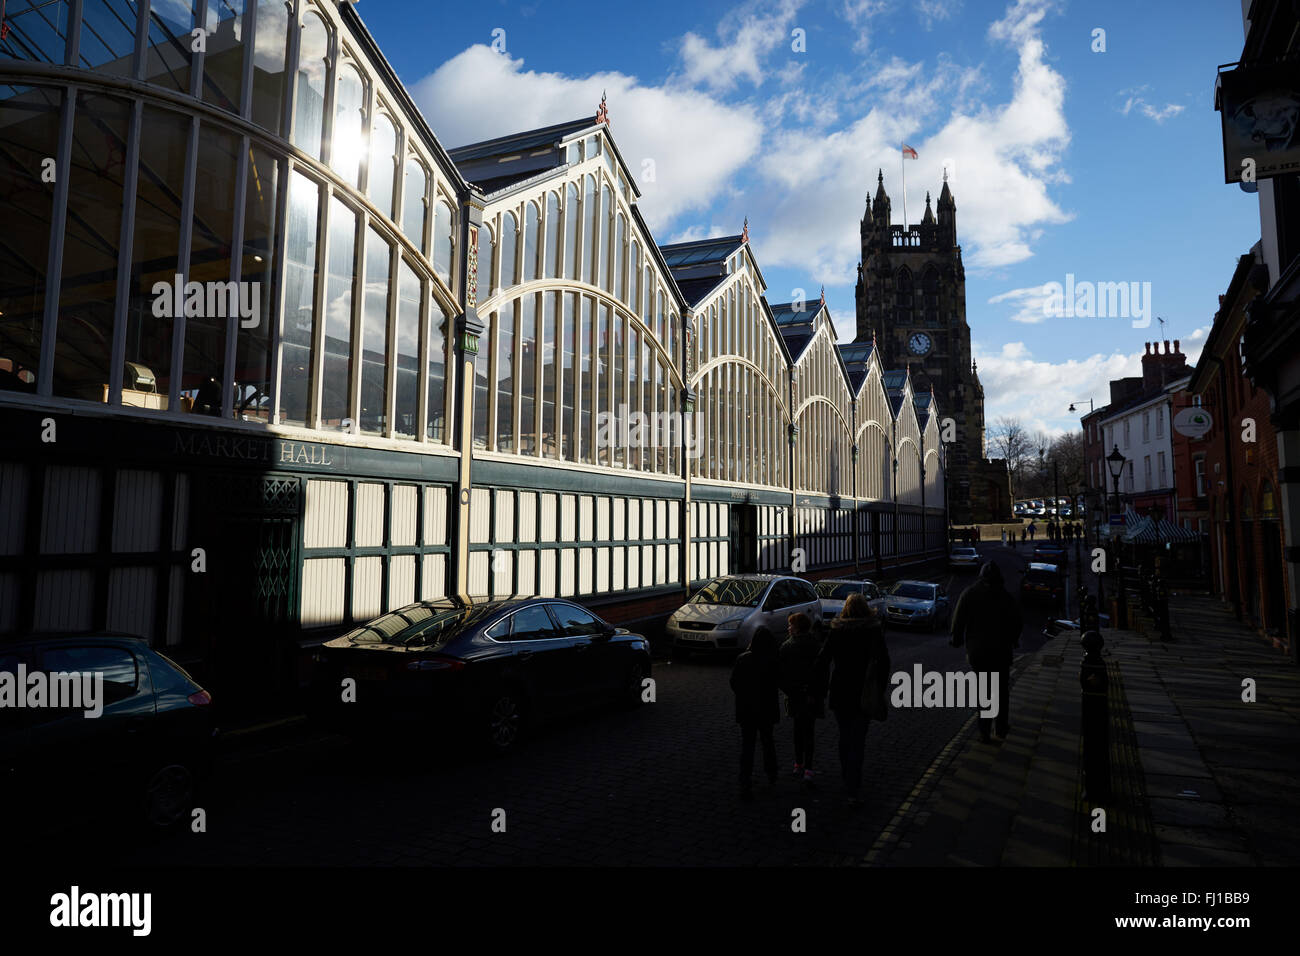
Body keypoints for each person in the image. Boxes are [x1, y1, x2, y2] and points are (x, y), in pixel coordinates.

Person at [813, 593, 888, 808]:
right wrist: (879, 688)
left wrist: (819, 688)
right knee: (858, 740)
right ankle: (853, 787)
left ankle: (847, 775)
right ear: (866, 608)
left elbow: (822, 660)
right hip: (863, 692)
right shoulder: (873, 630)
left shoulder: (837, 630)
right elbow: (884, 662)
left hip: (840, 691)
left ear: (845, 609)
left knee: (845, 737)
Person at [949, 561, 1022, 742]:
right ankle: (1001, 728)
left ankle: (984, 730)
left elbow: (958, 620)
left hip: (978, 652)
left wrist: (956, 639)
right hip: (1001, 652)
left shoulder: (969, 593)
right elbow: (1017, 622)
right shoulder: (1006, 597)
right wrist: (1013, 640)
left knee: (984, 690)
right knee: (1001, 691)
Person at [730, 628, 781, 801]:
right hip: (766, 708)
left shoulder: (742, 659)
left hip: (747, 709)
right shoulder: (773, 661)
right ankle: (772, 773)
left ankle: (745, 781)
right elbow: (778, 682)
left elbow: (734, 683)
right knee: (768, 741)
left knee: (748, 745)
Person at [779, 611, 824, 785]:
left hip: (795, 695)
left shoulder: (786, 647)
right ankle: (809, 768)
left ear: (797, 629)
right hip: (811, 696)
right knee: (809, 732)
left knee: (798, 731)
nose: (788, 628)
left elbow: (781, 674)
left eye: (791, 625)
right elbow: (821, 672)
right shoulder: (816, 645)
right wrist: (816, 693)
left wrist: (789, 691)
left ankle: (798, 763)